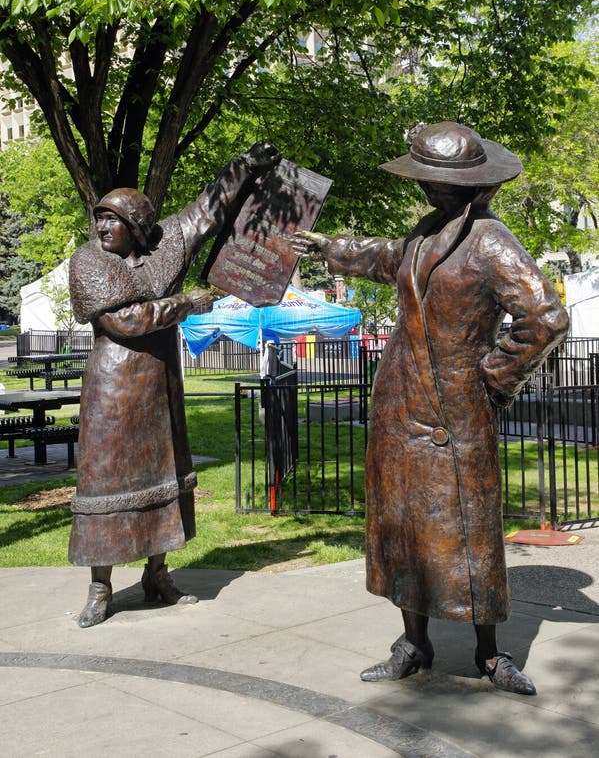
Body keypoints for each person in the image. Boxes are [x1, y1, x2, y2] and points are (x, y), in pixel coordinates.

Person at [293, 122, 569, 694]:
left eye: (431, 181)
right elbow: (391, 258)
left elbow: (546, 317)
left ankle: (490, 654)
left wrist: (492, 379)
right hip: (401, 403)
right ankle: (413, 642)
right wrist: (333, 248)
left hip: (453, 410)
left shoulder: (491, 239)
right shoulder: (430, 229)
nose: (424, 189)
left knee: (472, 530)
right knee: (404, 524)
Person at [69, 142, 281, 627]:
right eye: (98, 219)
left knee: (164, 470)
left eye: (112, 220)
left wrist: (245, 165)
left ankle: (157, 573)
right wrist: (186, 303)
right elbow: (124, 321)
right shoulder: (89, 262)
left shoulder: (162, 248)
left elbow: (207, 210)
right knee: (107, 478)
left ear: (137, 228)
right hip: (113, 387)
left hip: (159, 382)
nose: (101, 228)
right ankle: (101, 585)